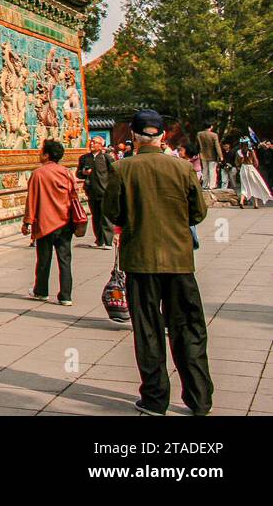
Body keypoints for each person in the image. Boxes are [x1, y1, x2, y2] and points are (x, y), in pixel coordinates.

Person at [103, 109, 212, 416]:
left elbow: (113, 212)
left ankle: (155, 398)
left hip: (141, 261)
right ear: (163, 136)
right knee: (189, 327)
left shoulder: (123, 169)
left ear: (134, 138)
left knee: (148, 329)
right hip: (179, 261)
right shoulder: (182, 168)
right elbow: (198, 213)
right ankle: (199, 398)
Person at [22, 138, 78, 306]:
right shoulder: (67, 172)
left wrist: (27, 221)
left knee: (44, 260)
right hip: (65, 222)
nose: (39, 154)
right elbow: (74, 195)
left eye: (41, 151)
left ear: (47, 155)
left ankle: (41, 291)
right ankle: (66, 295)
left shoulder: (38, 174)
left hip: (46, 223)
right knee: (65, 260)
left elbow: (31, 199)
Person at [75, 136, 116, 249]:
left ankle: (108, 241)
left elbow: (114, 173)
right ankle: (99, 239)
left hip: (104, 191)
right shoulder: (84, 158)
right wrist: (83, 172)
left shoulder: (106, 158)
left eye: (95, 142)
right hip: (91, 190)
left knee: (105, 216)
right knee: (96, 216)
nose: (92, 144)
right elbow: (78, 174)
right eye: (91, 142)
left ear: (101, 145)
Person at [236, 143, 272, 208]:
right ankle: (256, 204)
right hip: (250, 168)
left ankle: (241, 201)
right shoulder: (251, 151)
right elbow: (256, 162)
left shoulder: (238, 152)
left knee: (244, 186)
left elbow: (237, 162)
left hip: (243, 168)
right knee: (255, 185)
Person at [197, 124, 222, 189]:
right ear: (211, 127)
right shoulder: (214, 135)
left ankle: (204, 185)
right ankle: (212, 185)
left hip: (203, 154)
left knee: (205, 170)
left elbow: (198, 144)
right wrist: (220, 155)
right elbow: (217, 146)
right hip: (212, 155)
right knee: (212, 170)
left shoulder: (199, 134)